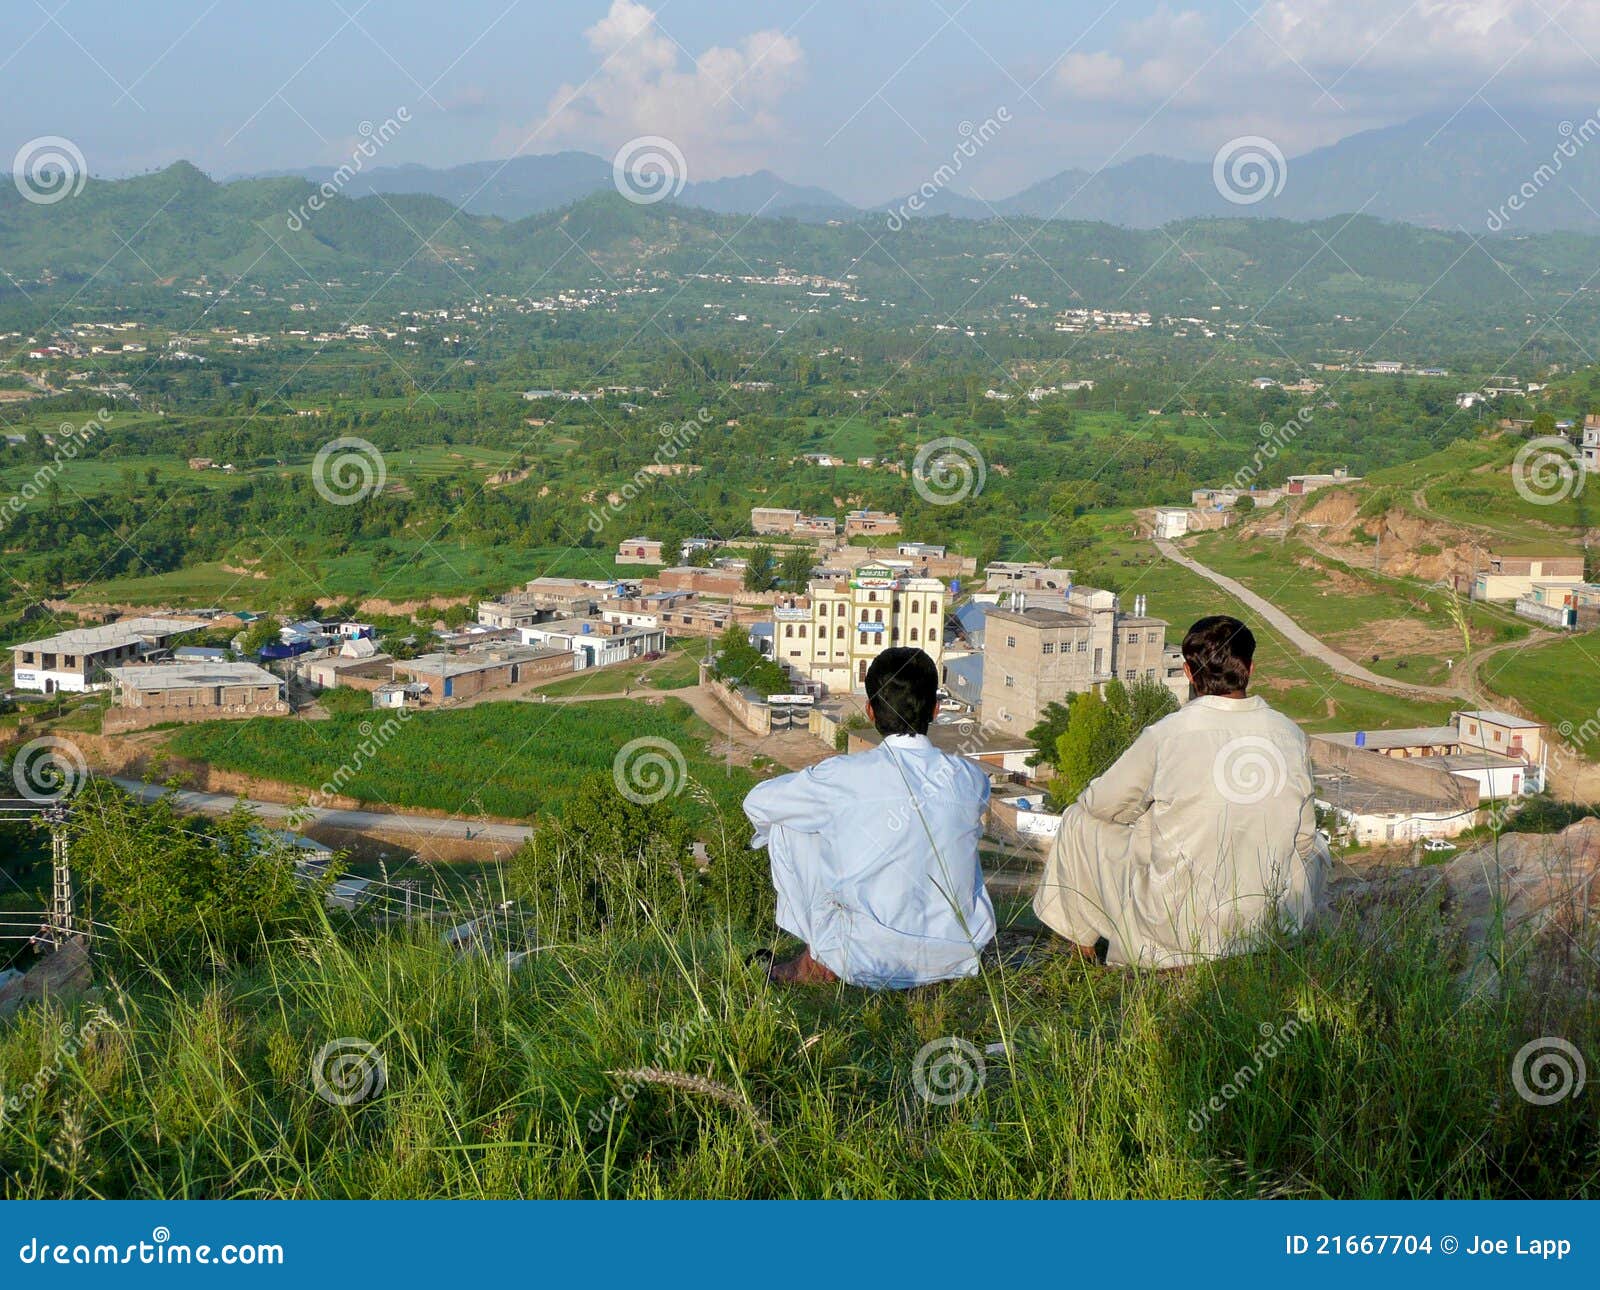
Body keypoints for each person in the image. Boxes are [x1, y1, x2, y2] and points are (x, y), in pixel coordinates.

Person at [1033, 615, 1327, 969]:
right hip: (1268, 920)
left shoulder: (1167, 735)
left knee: (1077, 820)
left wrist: (1143, 817)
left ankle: (1080, 951)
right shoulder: (1290, 734)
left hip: (1175, 928)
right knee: (1319, 847)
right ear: (1250, 667)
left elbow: (1099, 805)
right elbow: (1305, 842)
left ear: (1188, 673)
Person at [742, 647, 995, 988]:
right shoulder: (970, 778)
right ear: (935, 709)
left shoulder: (842, 776)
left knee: (789, 823)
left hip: (860, 958)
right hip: (957, 954)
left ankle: (816, 965)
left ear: (870, 711)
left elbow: (757, 803)